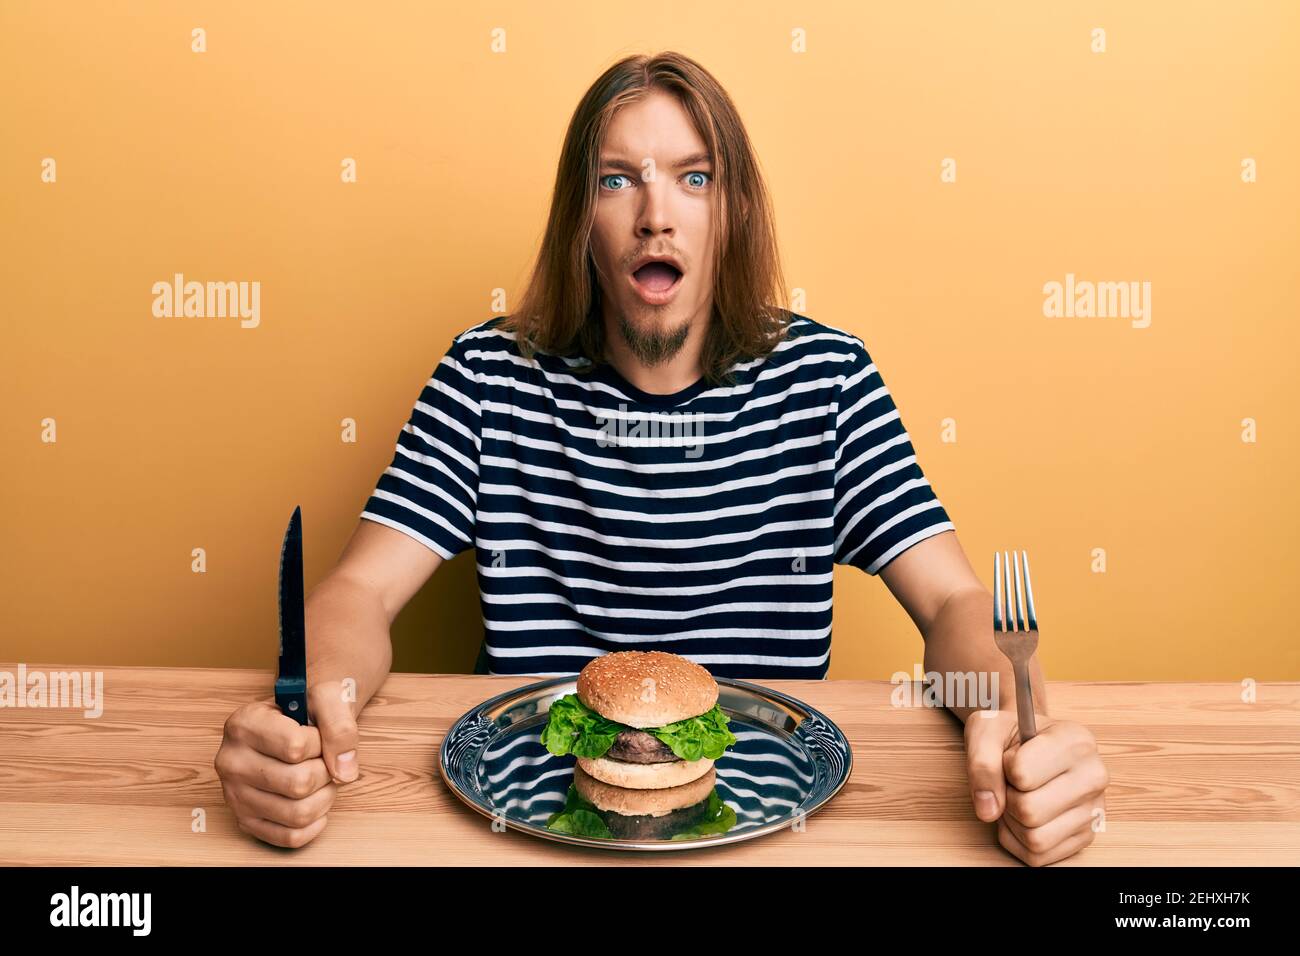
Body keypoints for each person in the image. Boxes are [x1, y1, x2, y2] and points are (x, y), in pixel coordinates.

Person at [216, 51, 1107, 863]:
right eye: (617, 180)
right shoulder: (488, 376)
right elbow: (360, 592)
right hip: (527, 828)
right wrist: (311, 703)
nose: (655, 216)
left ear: (735, 210)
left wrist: (1011, 711)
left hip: (773, 829)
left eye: (694, 178)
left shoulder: (828, 380)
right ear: (581, 219)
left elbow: (954, 601)